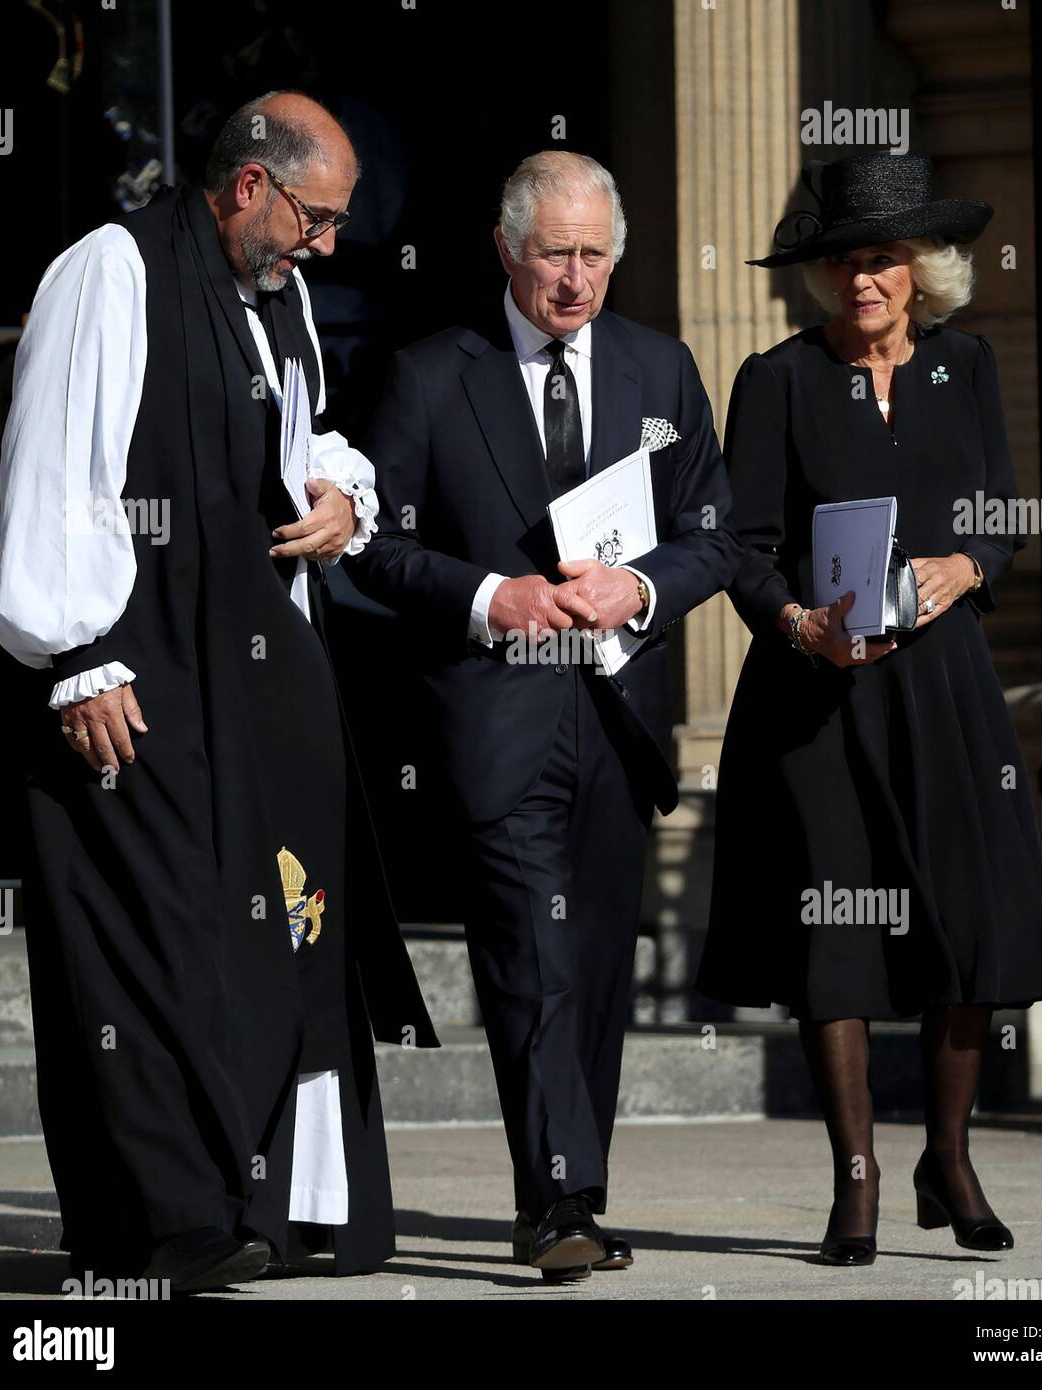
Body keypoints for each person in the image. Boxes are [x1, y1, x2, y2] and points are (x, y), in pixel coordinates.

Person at [0, 91, 437, 1291]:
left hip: (262, 682)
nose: (329, 246)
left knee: (280, 936)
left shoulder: (277, 297)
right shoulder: (109, 270)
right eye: (318, 216)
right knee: (146, 945)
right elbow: (56, 463)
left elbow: (307, 443)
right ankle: (170, 1217)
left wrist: (343, 497)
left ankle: (280, 1203)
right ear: (250, 184)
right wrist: (76, 650)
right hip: (135, 672)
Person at [348, 150, 738, 1280]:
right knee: (531, 952)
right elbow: (375, 544)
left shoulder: (659, 370)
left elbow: (719, 529)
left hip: (617, 718)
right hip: (496, 715)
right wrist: (487, 596)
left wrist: (645, 583)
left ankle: (575, 1183)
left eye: (595, 255)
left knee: (599, 967)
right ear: (508, 251)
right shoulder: (429, 375)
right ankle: (557, 1198)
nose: (576, 279)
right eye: (555, 254)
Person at [697, 150, 1042, 1266]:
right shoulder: (776, 378)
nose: (862, 278)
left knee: (965, 925)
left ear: (921, 269)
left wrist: (970, 565)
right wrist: (797, 625)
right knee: (835, 932)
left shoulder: (965, 365)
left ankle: (948, 1156)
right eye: (845, 261)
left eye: (882, 258)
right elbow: (744, 547)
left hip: (944, 686)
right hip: (817, 691)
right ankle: (856, 1179)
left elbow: (1000, 517)